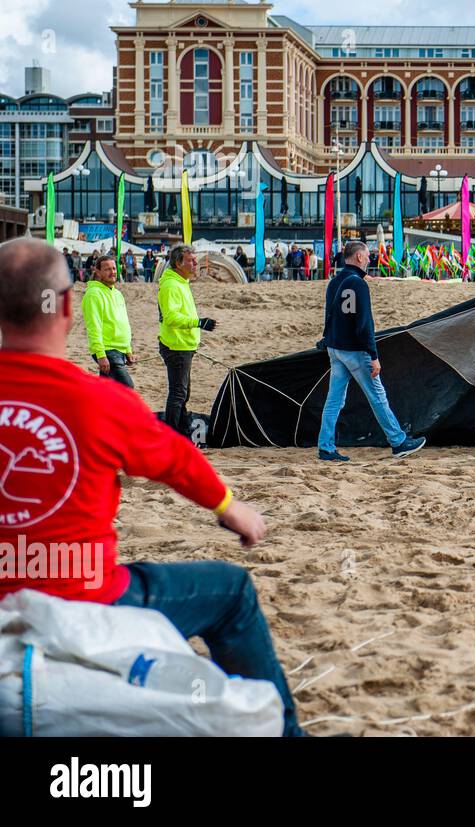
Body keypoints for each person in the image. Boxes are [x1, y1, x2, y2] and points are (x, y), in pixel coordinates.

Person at [0, 238, 304, 737]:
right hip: (90, 596)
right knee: (232, 591)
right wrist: (231, 509)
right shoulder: (100, 402)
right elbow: (176, 457)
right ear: (67, 306)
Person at [317, 241, 426, 462]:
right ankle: (398, 441)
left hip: (335, 348)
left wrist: (327, 340)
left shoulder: (334, 282)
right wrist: (373, 356)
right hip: (355, 351)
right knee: (377, 396)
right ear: (358, 257)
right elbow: (365, 324)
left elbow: (329, 316)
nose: (369, 259)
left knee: (334, 400)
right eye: (367, 256)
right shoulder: (359, 284)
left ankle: (325, 447)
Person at [158, 245, 217, 438]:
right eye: (191, 260)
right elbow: (170, 318)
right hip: (176, 346)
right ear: (178, 263)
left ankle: (181, 433)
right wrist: (198, 323)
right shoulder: (171, 285)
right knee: (178, 394)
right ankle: (171, 437)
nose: (195, 263)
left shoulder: (181, 282)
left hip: (185, 345)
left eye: (195, 259)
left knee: (183, 394)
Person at [82, 253, 135, 388]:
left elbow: (124, 323)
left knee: (106, 390)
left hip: (120, 349)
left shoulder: (117, 293)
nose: (112, 272)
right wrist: (100, 354)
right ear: (97, 272)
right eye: (107, 269)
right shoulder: (93, 294)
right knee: (127, 388)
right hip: (107, 350)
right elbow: (94, 326)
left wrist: (128, 349)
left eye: (114, 268)